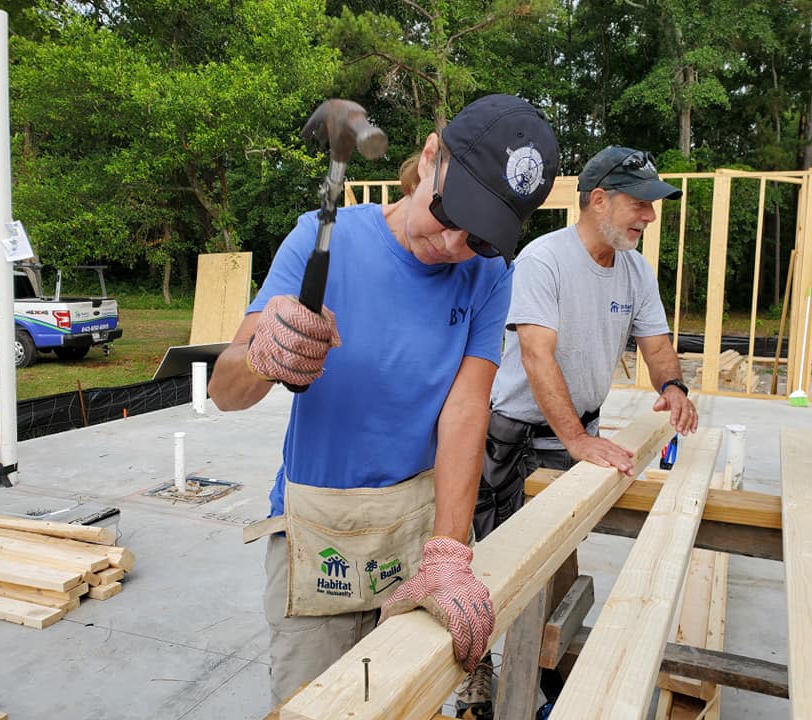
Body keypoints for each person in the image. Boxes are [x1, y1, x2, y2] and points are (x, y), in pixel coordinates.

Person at [207, 93, 560, 706]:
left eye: (479, 237)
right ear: (430, 158)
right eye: (451, 213)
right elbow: (225, 391)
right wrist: (263, 354)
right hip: (320, 532)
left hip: (418, 533)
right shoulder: (322, 241)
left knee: (405, 697)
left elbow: (465, 411)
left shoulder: (488, 276)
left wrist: (450, 552)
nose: (454, 243)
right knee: (313, 705)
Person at [458, 145, 698, 717]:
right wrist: (577, 440)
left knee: (558, 560)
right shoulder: (545, 261)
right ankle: (479, 677)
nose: (650, 216)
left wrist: (673, 388)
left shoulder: (635, 269)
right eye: (639, 204)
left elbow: (657, 345)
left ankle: (549, 679)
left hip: (572, 431)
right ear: (598, 200)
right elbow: (538, 358)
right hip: (512, 436)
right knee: (497, 563)